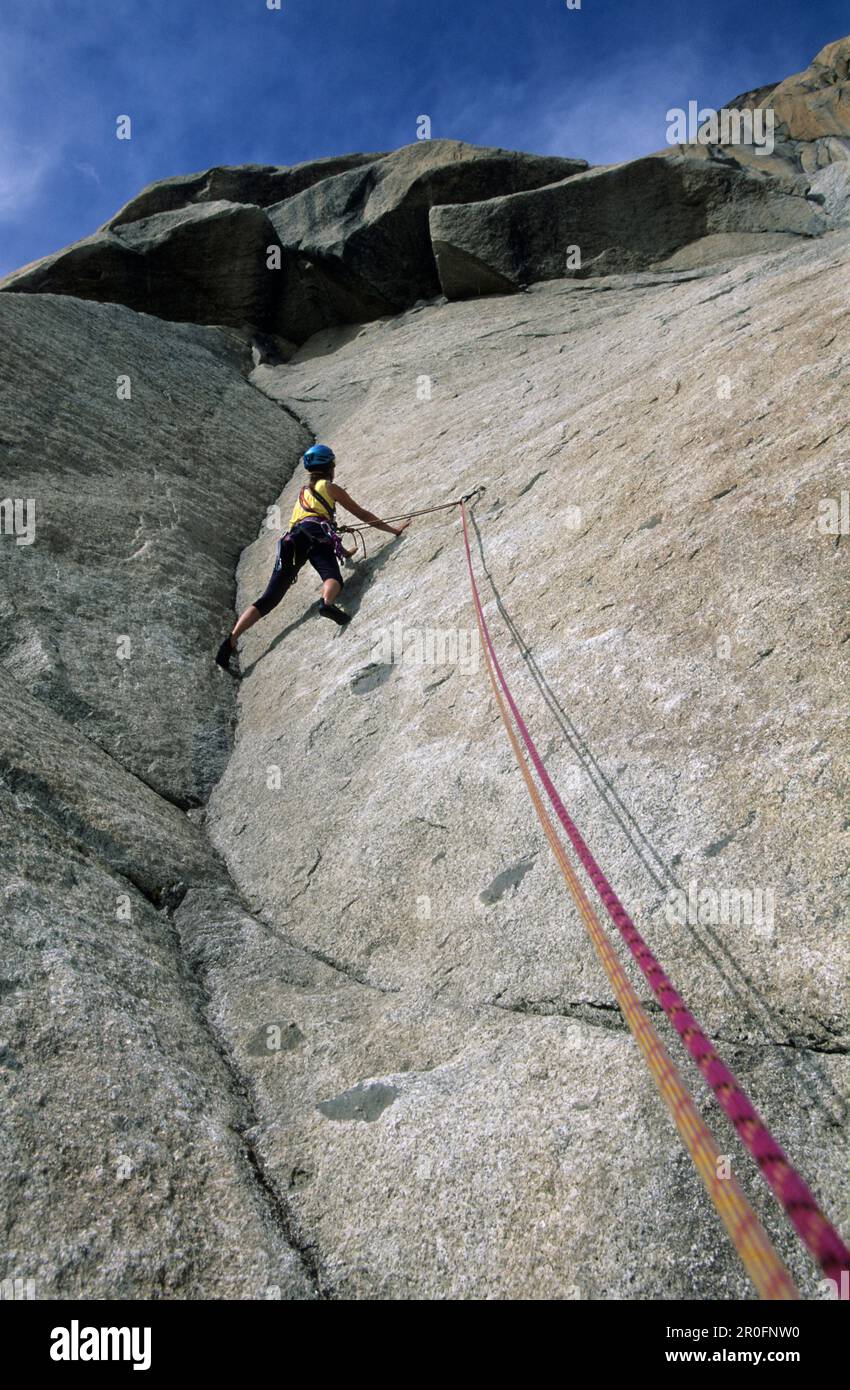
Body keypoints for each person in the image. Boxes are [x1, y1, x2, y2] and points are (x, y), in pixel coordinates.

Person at [215, 444, 409, 672]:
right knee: (332, 577)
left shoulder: (302, 492)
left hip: (291, 541)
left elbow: (308, 523)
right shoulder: (330, 487)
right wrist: (394, 530)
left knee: (269, 598)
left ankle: (231, 640)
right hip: (316, 535)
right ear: (330, 467)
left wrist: (344, 552)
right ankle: (326, 603)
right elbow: (362, 515)